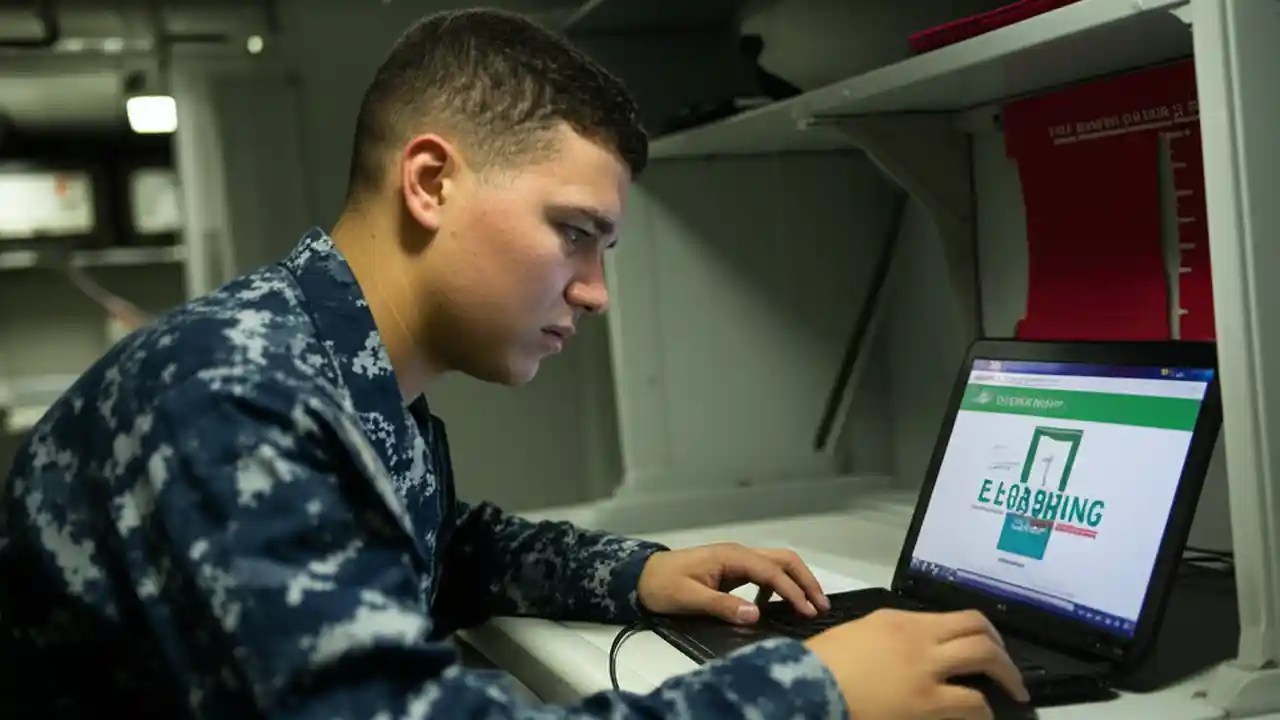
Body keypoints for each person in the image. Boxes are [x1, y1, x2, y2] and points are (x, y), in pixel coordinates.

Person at [0, 8, 1027, 719]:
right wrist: (817, 692)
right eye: (572, 232)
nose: (592, 289)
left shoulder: (325, 367)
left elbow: (433, 547)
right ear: (432, 181)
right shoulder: (230, 396)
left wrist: (638, 573)